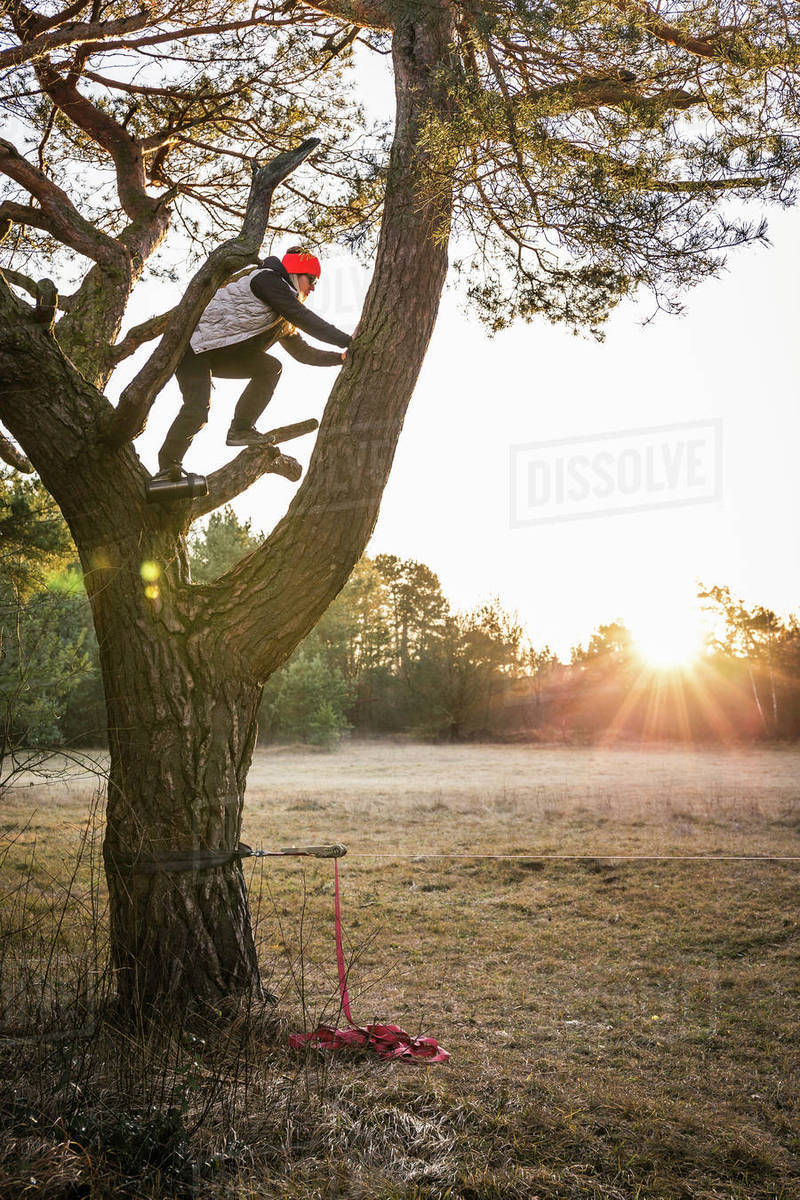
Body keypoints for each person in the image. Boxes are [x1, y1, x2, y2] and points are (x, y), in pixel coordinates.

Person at [154, 247, 351, 482]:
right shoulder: (267, 280)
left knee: (271, 367)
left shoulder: (282, 312)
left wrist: (339, 358)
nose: (314, 287)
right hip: (195, 346)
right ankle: (167, 469)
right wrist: (348, 340)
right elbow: (303, 317)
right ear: (297, 273)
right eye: (312, 279)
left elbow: (302, 353)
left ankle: (241, 428)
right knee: (197, 409)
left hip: (219, 353)